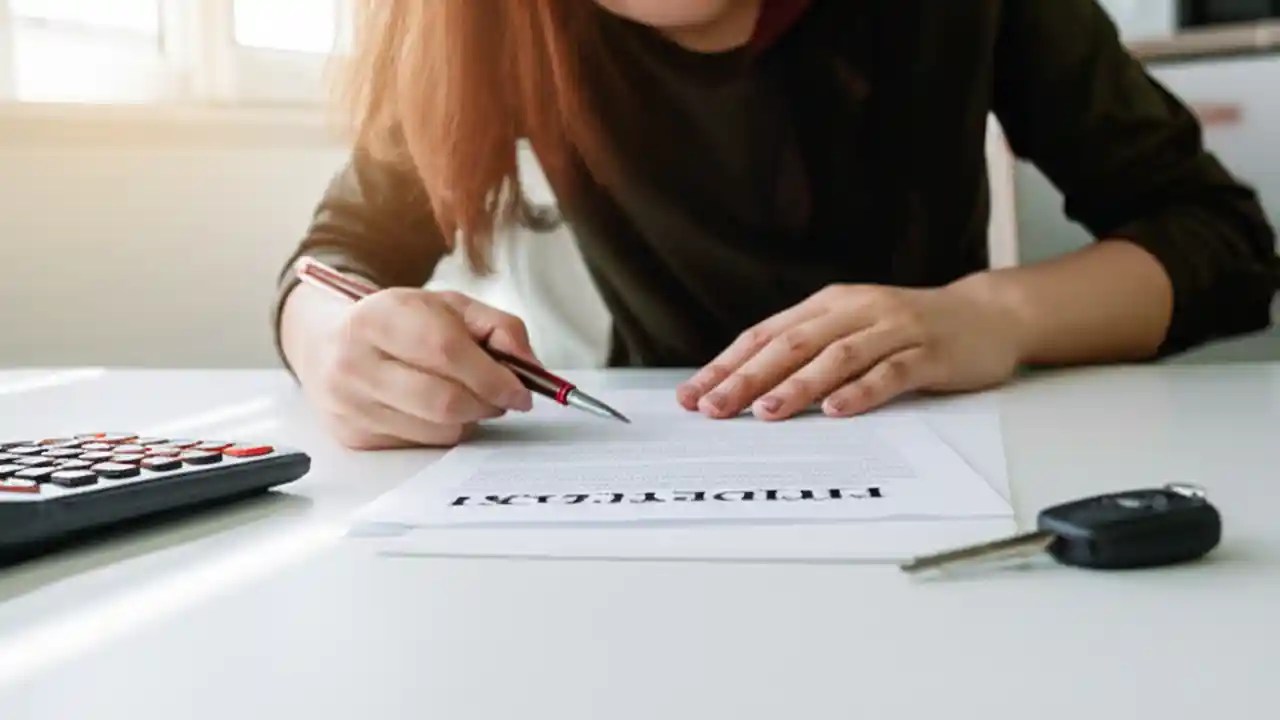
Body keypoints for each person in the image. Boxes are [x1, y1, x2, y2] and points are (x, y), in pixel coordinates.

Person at [274, 0, 1278, 450]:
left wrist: (993, 317)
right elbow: (334, 262)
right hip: (638, 481)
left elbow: (1221, 243)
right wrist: (335, 350)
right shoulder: (483, 21)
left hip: (944, 459)